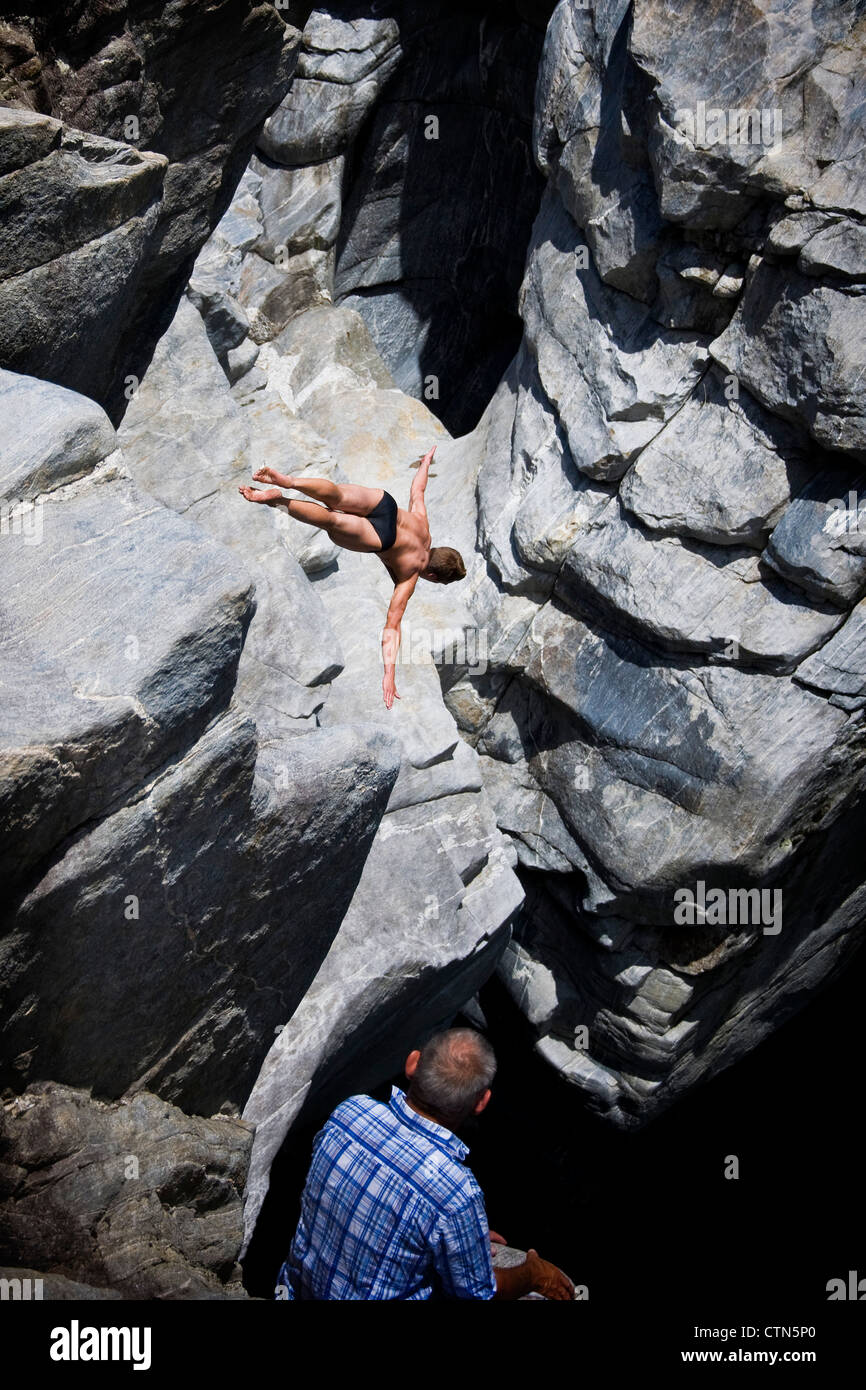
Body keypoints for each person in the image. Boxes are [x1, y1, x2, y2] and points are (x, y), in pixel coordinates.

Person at [274, 1028, 574, 1301]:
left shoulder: (350, 1113)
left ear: (412, 1063)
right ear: (481, 1102)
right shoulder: (456, 1192)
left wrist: (459, 1235)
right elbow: (481, 1294)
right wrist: (535, 1273)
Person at [239, 445, 465, 709]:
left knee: (335, 494)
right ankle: (278, 500)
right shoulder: (410, 575)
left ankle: (288, 481)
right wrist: (389, 674)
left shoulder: (423, 527)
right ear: (434, 575)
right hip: (382, 537)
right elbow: (392, 626)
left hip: (386, 504)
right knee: (330, 521)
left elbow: (418, 491)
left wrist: (426, 463)